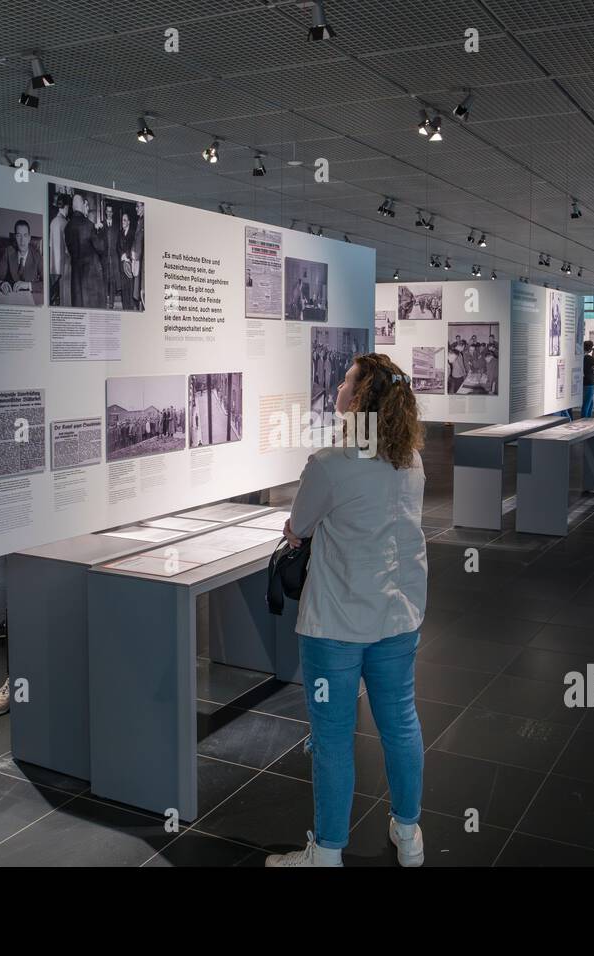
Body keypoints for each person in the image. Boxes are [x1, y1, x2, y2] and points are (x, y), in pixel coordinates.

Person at [268, 353, 428, 868]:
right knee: (400, 722)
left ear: (359, 398)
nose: (337, 385)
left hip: (335, 622)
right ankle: (409, 833)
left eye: (345, 380)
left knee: (334, 739)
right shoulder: (411, 460)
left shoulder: (330, 464)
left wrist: (297, 530)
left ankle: (328, 853)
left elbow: (300, 526)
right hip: (398, 616)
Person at [66, 194, 105, 308]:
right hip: (90, 279)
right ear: (83, 205)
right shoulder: (89, 225)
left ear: (73, 208)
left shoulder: (67, 227)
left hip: (76, 279)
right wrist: (100, 232)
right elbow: (101, 248)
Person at [0, 218, 43, 297]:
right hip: (12, 297)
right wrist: (2, 283)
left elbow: (46, 283)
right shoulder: (8, 252)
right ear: (15, 237)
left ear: (29, 238)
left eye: (25, 235)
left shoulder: (37, 256)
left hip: (32, 299)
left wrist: (28, 285)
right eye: (18, 235)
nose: (22, 240)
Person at [49, 193, 70, 305]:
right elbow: (68, 249)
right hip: (64, 267)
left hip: (53, 268)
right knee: (64, 299)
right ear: (66, 207)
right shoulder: (65, 223)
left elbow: (50, 245)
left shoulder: (52, 222)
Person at [582, 341, 594, 418]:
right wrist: (593, 356)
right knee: (587, 404)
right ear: (590, 349)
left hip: (583, 382)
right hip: (589, 383)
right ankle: (584, 421)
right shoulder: (589, 358)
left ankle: (587, 420)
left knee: (589, 403)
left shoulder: (579, 357)